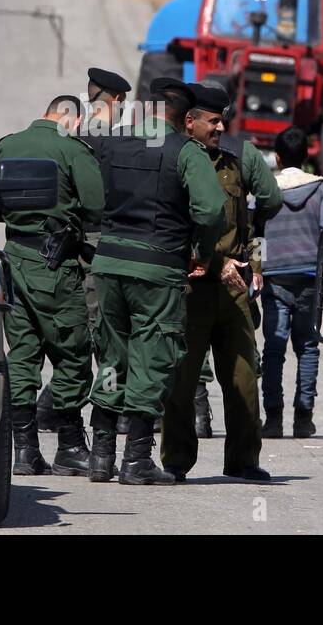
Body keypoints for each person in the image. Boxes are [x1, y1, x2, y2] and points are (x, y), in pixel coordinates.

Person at [87, 77, 226, 485]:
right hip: (157, 268)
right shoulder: (186, 152)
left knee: (113, 356)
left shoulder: (111, 143)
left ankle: (100, 457)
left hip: (109, 263)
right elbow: (211, 209)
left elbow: (93, 199)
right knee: (152, 357)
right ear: (186, 118)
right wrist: (202, 250)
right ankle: (136, 461)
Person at [160, 82, 282, 482]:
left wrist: (253, 256)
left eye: (223, 119)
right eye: (213, 120)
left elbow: (269, 203)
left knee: (244, 375)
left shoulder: (238, 157)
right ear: (190, 122)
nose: (220, 127)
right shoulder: (173, 158)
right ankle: (176, 460)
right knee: (182, 377)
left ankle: (244, 459)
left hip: (232, 285)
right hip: (190, 284)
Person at [0, 95, 104, 476]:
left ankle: (24, 451)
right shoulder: (72, 150)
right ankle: (70, 446)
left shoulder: (7, 144)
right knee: (72, 351)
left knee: (22, 352)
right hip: (55, 266)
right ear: (71, 120)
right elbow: (96, 205)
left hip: (14, 260)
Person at [36, 66, 132, 434]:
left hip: (62, 246)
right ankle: (99, 410)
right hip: (98, 247)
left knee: (73, 333)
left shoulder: (69, 132)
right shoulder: (110, 139)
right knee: (103, 334)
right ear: (118, 100)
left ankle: (54, 405)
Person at [259, 127, 323, 439]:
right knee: (307, 346)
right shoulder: (321, 189)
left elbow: (254, 232)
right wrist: (321, 259)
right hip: (309, 279)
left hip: (275, 279)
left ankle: (273, 419)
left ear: (277, 158)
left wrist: (262, 264)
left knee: (274, 350)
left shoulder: (266, 190)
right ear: (306, 156)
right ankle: (303, 418)